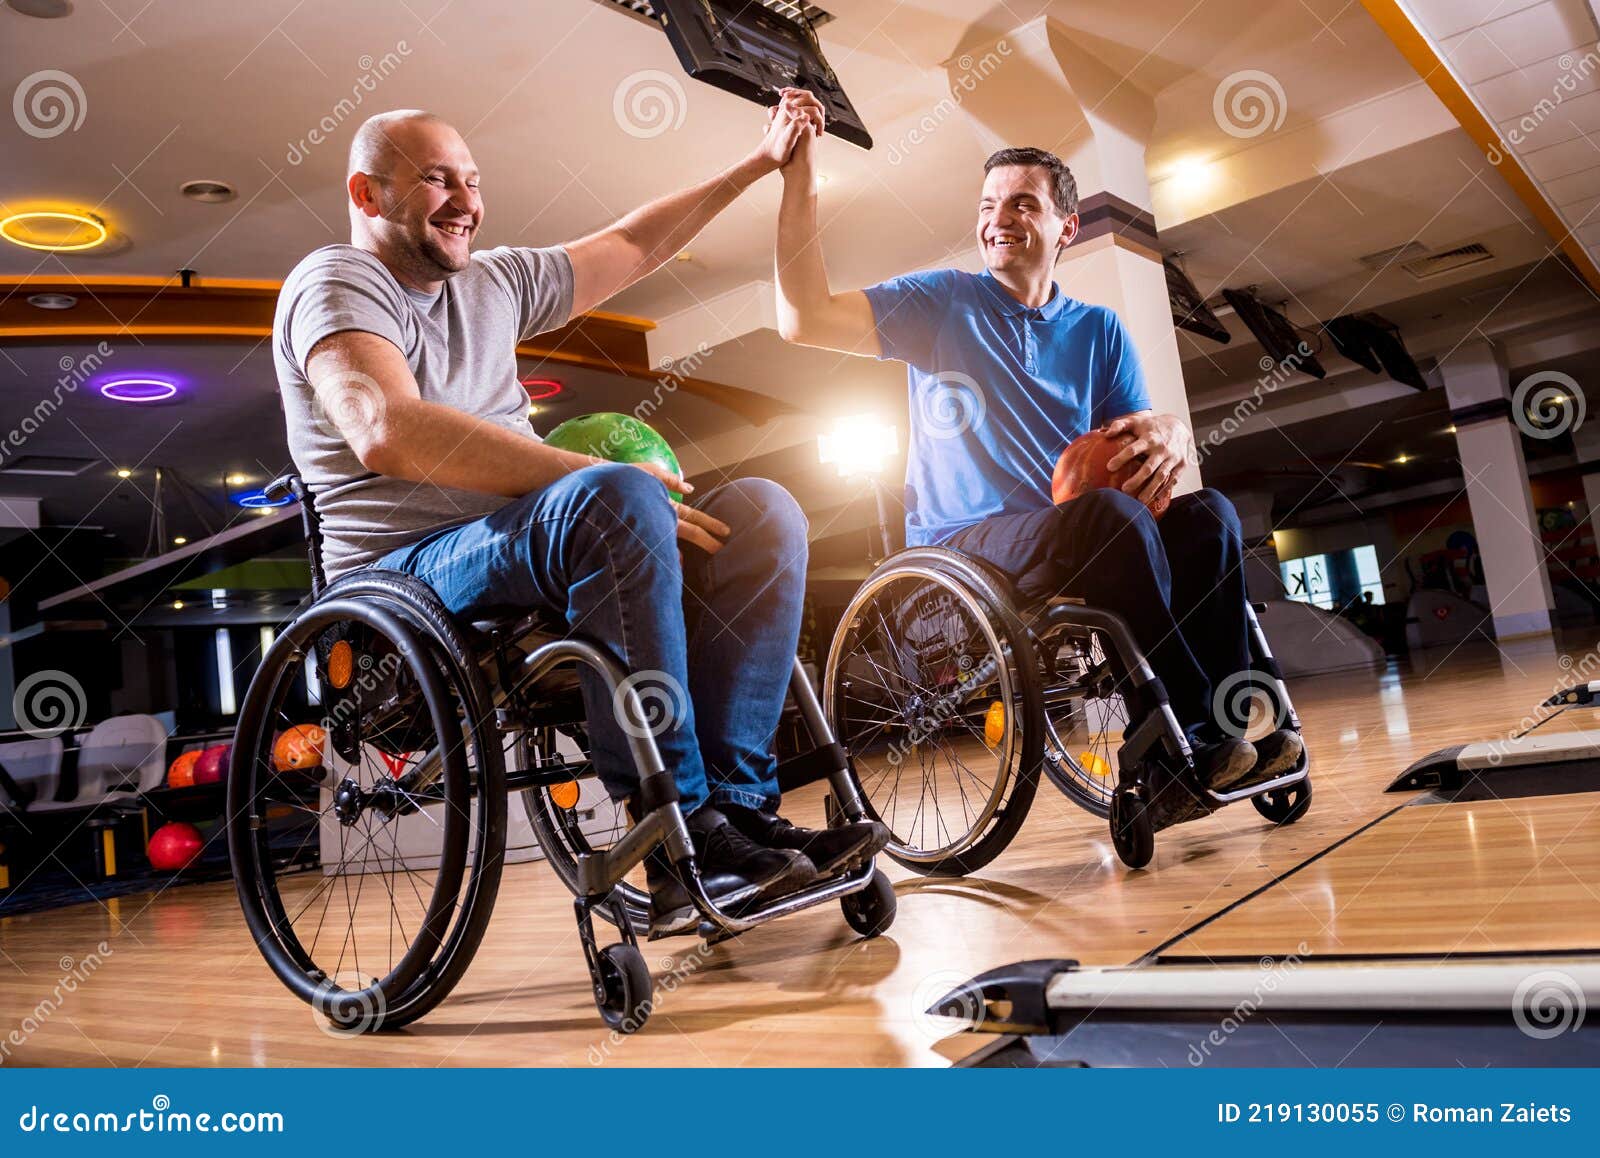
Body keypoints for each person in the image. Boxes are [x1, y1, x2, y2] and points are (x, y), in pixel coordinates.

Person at [272, 97, 886, 940]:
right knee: (619, 495)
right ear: (368, 195)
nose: (464, 199)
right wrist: (597, 477)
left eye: (473, 181)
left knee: (764, 514)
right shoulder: (334, 281)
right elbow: (386, 429)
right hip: (400, 580)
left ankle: (737, 813)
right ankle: (674, 832)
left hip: (527, 550)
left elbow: (634, 244)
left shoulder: (493, 282)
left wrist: (757, 163)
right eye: (436, 179)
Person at [773, 105, 1302, 791]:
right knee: (1110, 520)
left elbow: (1134, 456)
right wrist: (798, 180)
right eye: (990, 204)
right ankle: (1185, 738)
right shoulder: (942, 303)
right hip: (963, 545)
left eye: (1023, 203)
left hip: (1073, 532)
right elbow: (802, 319)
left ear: (1066, 228)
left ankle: (1239, 722)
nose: (999, 218)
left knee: (1208, 516)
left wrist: (1168, 429)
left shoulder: (1099, 330)